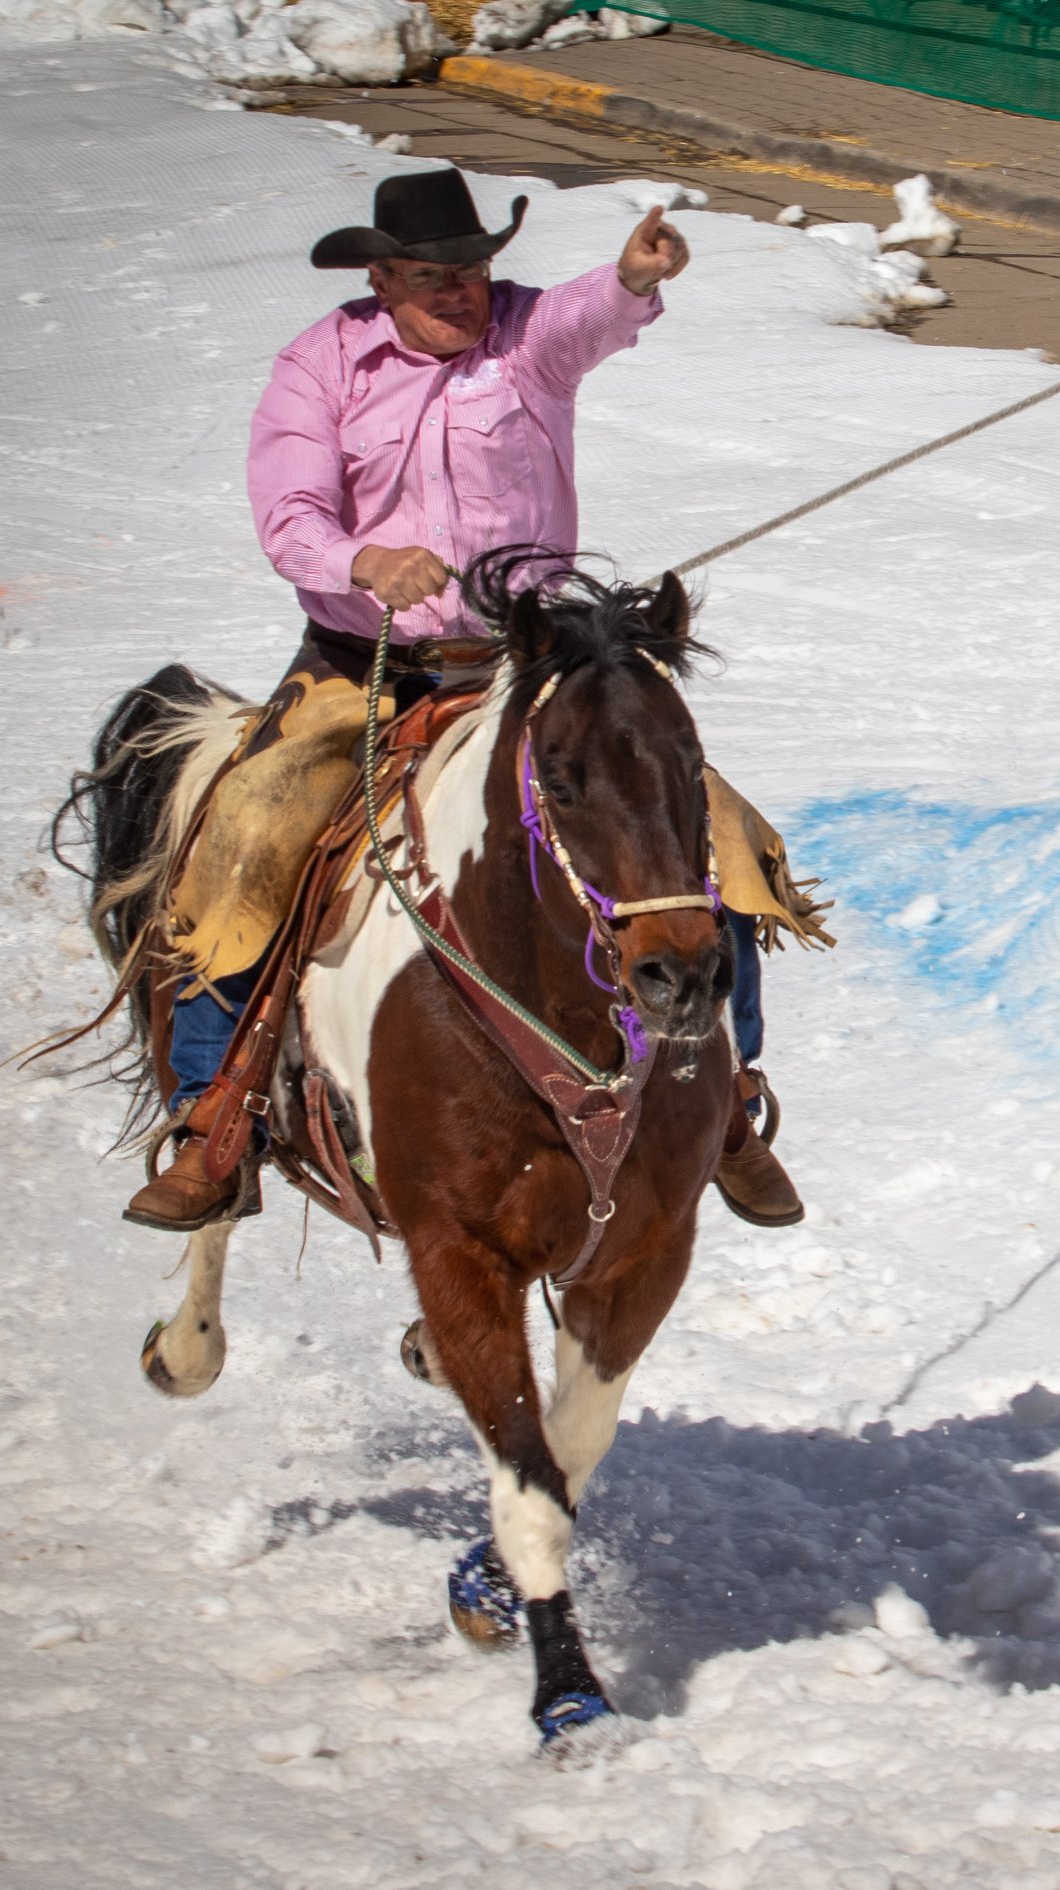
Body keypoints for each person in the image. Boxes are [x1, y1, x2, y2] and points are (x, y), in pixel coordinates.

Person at [126, 167, 812, 1234]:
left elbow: (583, 322)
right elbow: (290, 509)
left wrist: (629, 281)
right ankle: (214, 1108)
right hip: (366, 666)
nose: (464, 293)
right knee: (247, 833)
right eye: (438, 276)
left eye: (478, 270)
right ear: (382, 275)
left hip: (526, 664)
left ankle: (728, 1103)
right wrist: (359, 561)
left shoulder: (523, 339)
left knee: (707, 827)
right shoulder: (321, 365)